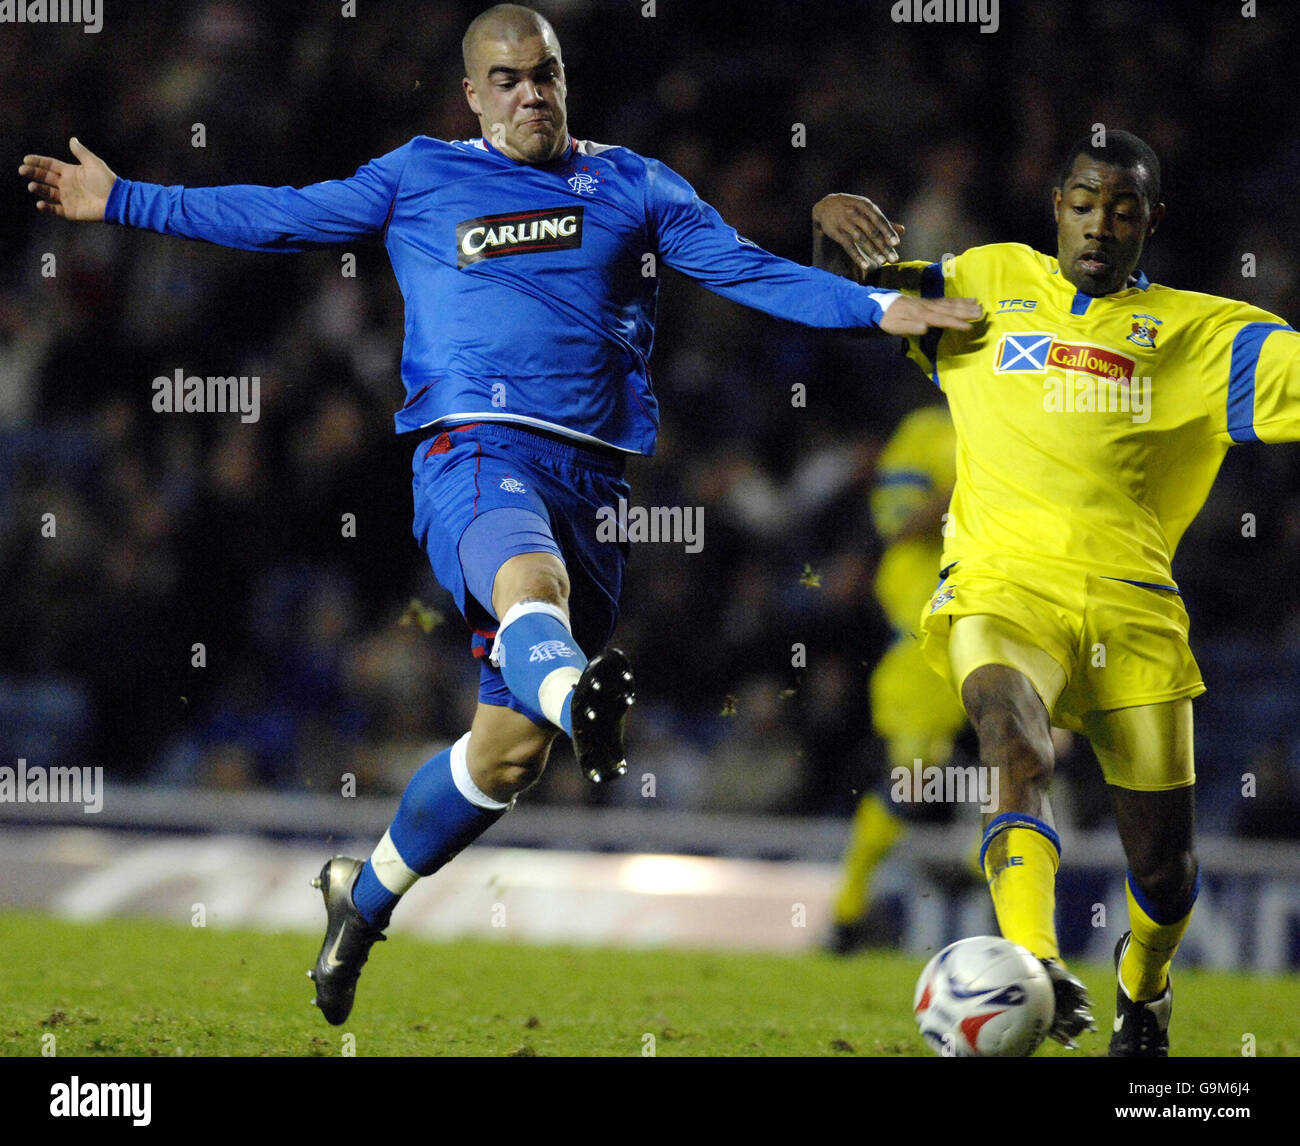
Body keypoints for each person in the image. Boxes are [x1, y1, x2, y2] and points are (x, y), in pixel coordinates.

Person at [21, 3, 980, 1027]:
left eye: (547, 75)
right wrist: (123, 199)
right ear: (473, 93)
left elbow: (748, 270)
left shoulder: (634, 184)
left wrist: (883, 308)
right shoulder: (418, 176)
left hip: (595, 484)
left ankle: (368, 890)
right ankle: (582, 704)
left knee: (504, 760)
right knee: (534, 590)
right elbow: (280, 214)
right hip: (471, 451)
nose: (533, 94)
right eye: (509, 79)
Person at [813, 128, 1300, 1056]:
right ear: (1057, 209)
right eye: (1084, 204)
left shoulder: (1208, 335)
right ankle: (1031, 959)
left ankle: (1144, 984)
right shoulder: (991, 283)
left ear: (1151, 221)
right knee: (1013, 740)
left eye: (1123, 209)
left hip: (1133, 609)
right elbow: (852, 298)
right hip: (1002, 586)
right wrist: (826, 226)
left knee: (1164, 868)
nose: (1100, 225)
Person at [826, 403, 969, 953]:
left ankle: (971, 861)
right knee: (913, 775)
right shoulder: (925, 433)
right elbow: (899, 522)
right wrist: (983, 479)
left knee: (1030, 753)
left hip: (996, 629)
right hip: (924, 641)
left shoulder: (1021, 415)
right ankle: (849, 912)